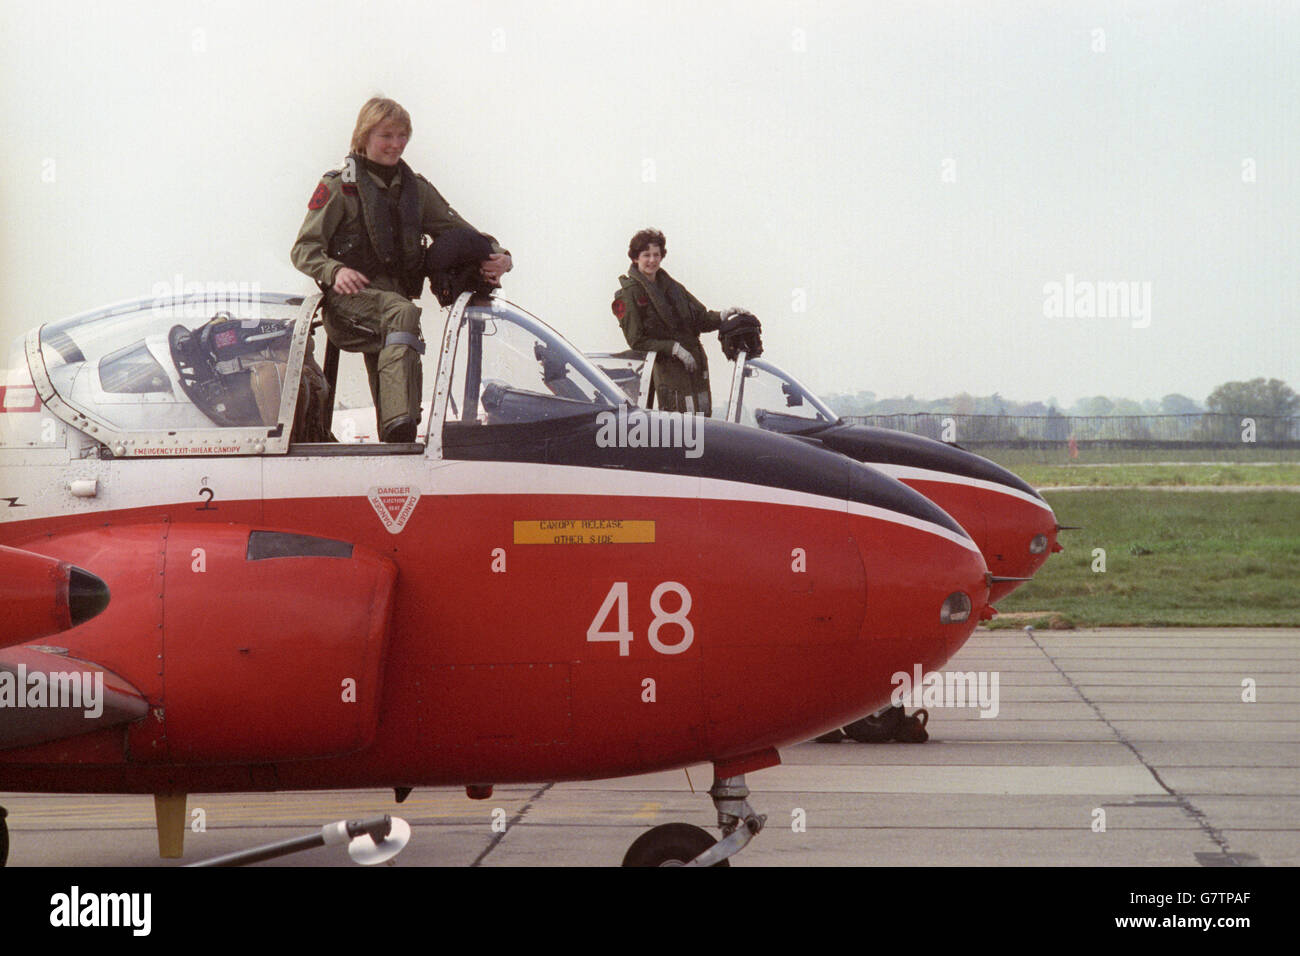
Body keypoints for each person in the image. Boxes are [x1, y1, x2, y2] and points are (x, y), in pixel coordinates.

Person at [291, 97, 511, 442]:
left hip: (392, 309)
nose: (396, 145)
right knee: (401, 312)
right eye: (386, 136)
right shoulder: (339, 186)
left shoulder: (415, 190)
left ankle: (400, 443)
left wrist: (499, 255)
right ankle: (400, 430)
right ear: (364, 135)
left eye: (402, 136)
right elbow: (304, 249)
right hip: (349, 305)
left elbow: (459, 230)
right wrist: (335, 271)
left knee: (400, 318)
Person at [610, 228, 760, 416]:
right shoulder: (629, 295)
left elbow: (701, 319)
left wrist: (726, 314)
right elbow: (636, 340)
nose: (652, 260)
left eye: (656, 255)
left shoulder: (673, 288)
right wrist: (674, 349)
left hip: (696, 368)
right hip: (668, 372)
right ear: (635, 258)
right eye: (646, 255)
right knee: (680, 429)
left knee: (704, 421)